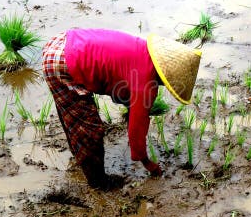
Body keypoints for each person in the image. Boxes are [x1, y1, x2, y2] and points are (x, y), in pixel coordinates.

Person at [42, 29, 201, 188]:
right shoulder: (145, 85)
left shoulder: (141, 48)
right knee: (89, 129)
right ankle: (98, 182)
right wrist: (146, 161)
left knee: (72, 115)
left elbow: (122, 84)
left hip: (62, 42)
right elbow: (136, 129)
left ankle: (79, 156)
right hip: (62, 63)